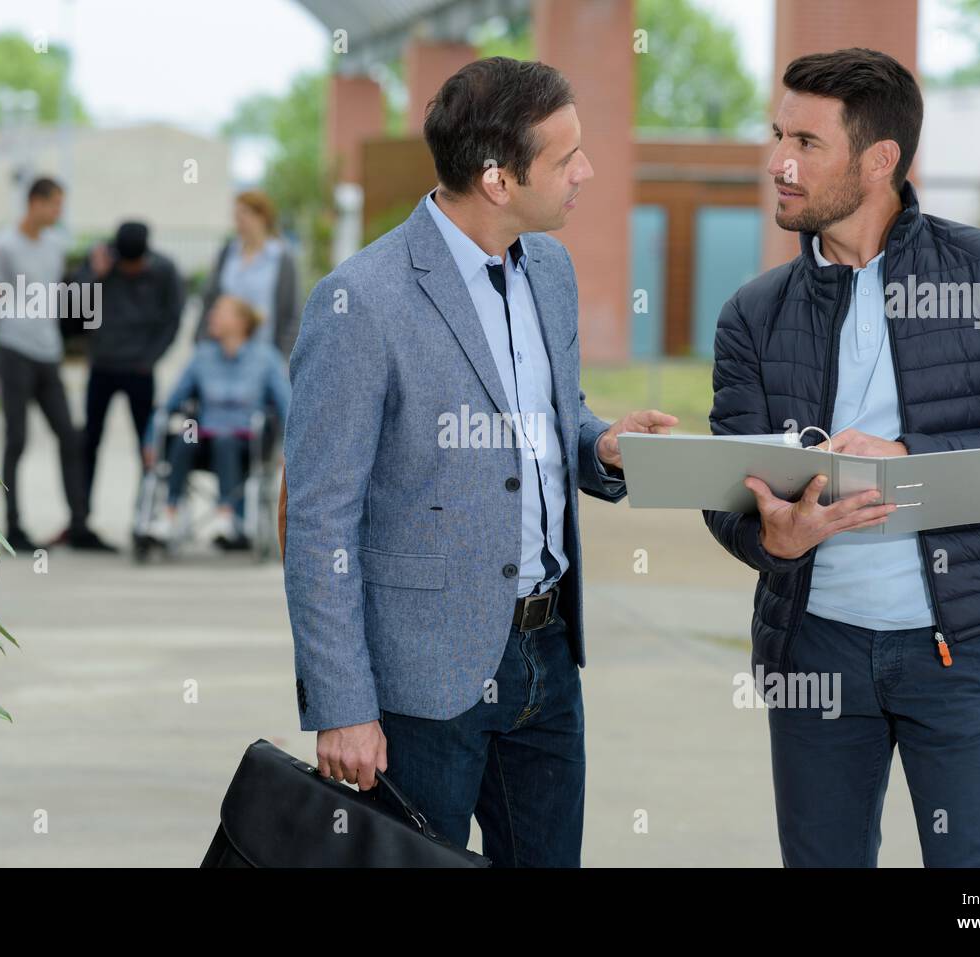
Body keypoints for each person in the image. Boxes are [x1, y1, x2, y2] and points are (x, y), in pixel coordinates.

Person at [704, 48, 980, 867]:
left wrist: (907, 456)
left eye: (807, 143)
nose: (780, 162)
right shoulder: (751, 314)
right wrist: (768, 539)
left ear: (879, 159)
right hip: (811, 648)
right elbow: (726, 484)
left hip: (960, 649)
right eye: (779, 135)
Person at [282, 57, 676, 867]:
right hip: (420, 682)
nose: (587, 172)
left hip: (548, 654)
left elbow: (534, 425)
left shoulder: (552, 271)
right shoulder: (360, 302)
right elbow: (319, 516)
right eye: (567, 158)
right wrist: (342, 703)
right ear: (497, 179)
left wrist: (598, 444)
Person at [0, 176, 116, 553]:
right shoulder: (3, 246)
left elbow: (66, 292)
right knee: (17, 439)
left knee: (69, 436)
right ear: (35, 203)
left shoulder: (55, 246)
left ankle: (80, 526)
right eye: (55, 205)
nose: (59, 212)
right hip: (13, 349)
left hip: (47, 352)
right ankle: (14, 528)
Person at [142, 295, 290, 550]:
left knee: (226, 440)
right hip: (204, 438)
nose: (211, 317)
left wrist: (286, 448)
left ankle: (225, 515)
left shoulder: (265, 358)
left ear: (241, 322)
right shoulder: (203, 356)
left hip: (246, 441)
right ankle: (168, 514)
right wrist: (150, 439)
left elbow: (287, 406)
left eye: (219, 312)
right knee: (185, 437)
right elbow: (170, 403)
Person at [75, 221, 183, 511]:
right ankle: (81, 517)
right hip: (103, 366)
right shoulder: (99, 263)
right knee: (89, 442)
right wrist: (93, 275)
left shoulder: (164, 270)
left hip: (140, 370)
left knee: (147, 445)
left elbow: (173, 319)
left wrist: (150, 359)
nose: (130, 272)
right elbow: (72, 309)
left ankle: (145, 515)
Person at [194, 190, 300, 360]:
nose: (239, 222)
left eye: (244, 214)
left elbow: (291, 313)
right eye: (236, 216)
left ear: (262, 217)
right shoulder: (228, 253)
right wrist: (201, 340)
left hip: (264, 354)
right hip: (222, 351)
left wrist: (284, 357)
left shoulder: (281, 258)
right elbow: (210, 299)